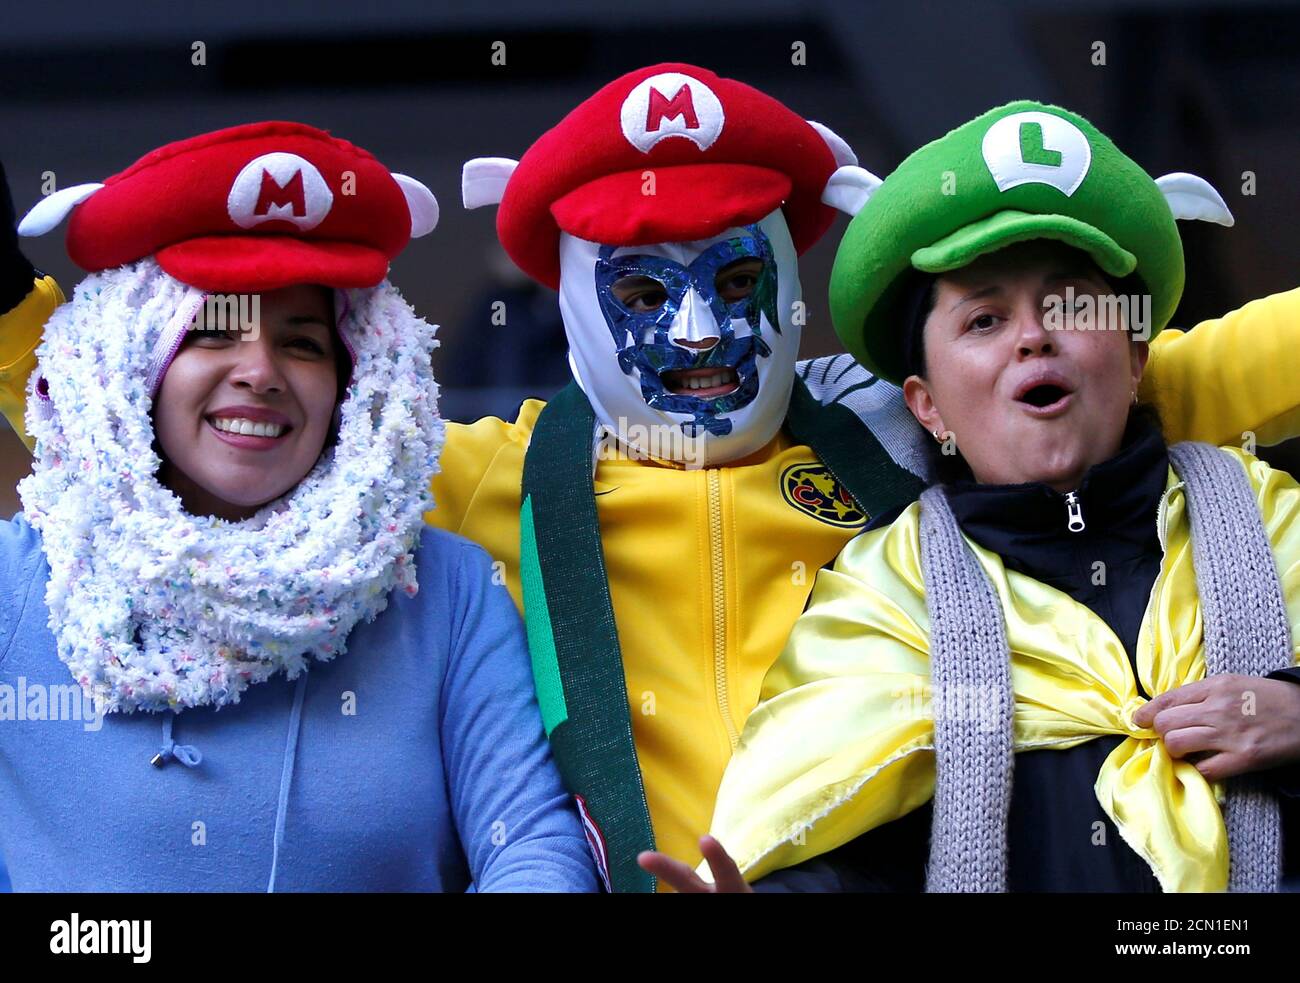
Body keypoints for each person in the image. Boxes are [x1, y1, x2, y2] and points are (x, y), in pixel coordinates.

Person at [7, 69, 1300, 892]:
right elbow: (155, 420)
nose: (694, 337)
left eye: (736, 285)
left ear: (792, 290)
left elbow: (1150, 371)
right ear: (570, 305)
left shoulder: (899, 420)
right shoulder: (475, 477)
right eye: (640, 292)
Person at [643, 101, 1300, 893]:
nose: (1033, 336)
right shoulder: (886, 597)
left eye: (1070, 306)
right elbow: (842, 863)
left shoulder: (1276, 520)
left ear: (1135, 358)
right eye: (985, 317)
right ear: (928, 408)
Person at [0, 122, 598, 892]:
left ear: (354, 385)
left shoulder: (447, 593)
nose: (260, 370)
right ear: (134, 360)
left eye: (303, 342)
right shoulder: (20, 583)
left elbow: (533, 850)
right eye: (211, 332)